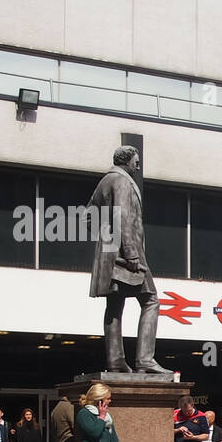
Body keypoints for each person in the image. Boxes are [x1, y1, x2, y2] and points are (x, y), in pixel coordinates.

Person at [88, 145, 171, 375]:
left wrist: (107, 239)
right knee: (151, 300)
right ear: (127, 159)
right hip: (127, 254)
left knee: (114, 304)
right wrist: (131, 251)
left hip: (110, 254)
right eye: (136, 159)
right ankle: (145, 359)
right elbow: (123, 217)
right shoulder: (122, 181)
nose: (138, 164)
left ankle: (115, 360)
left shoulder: (104, 181)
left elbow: (88, 218)